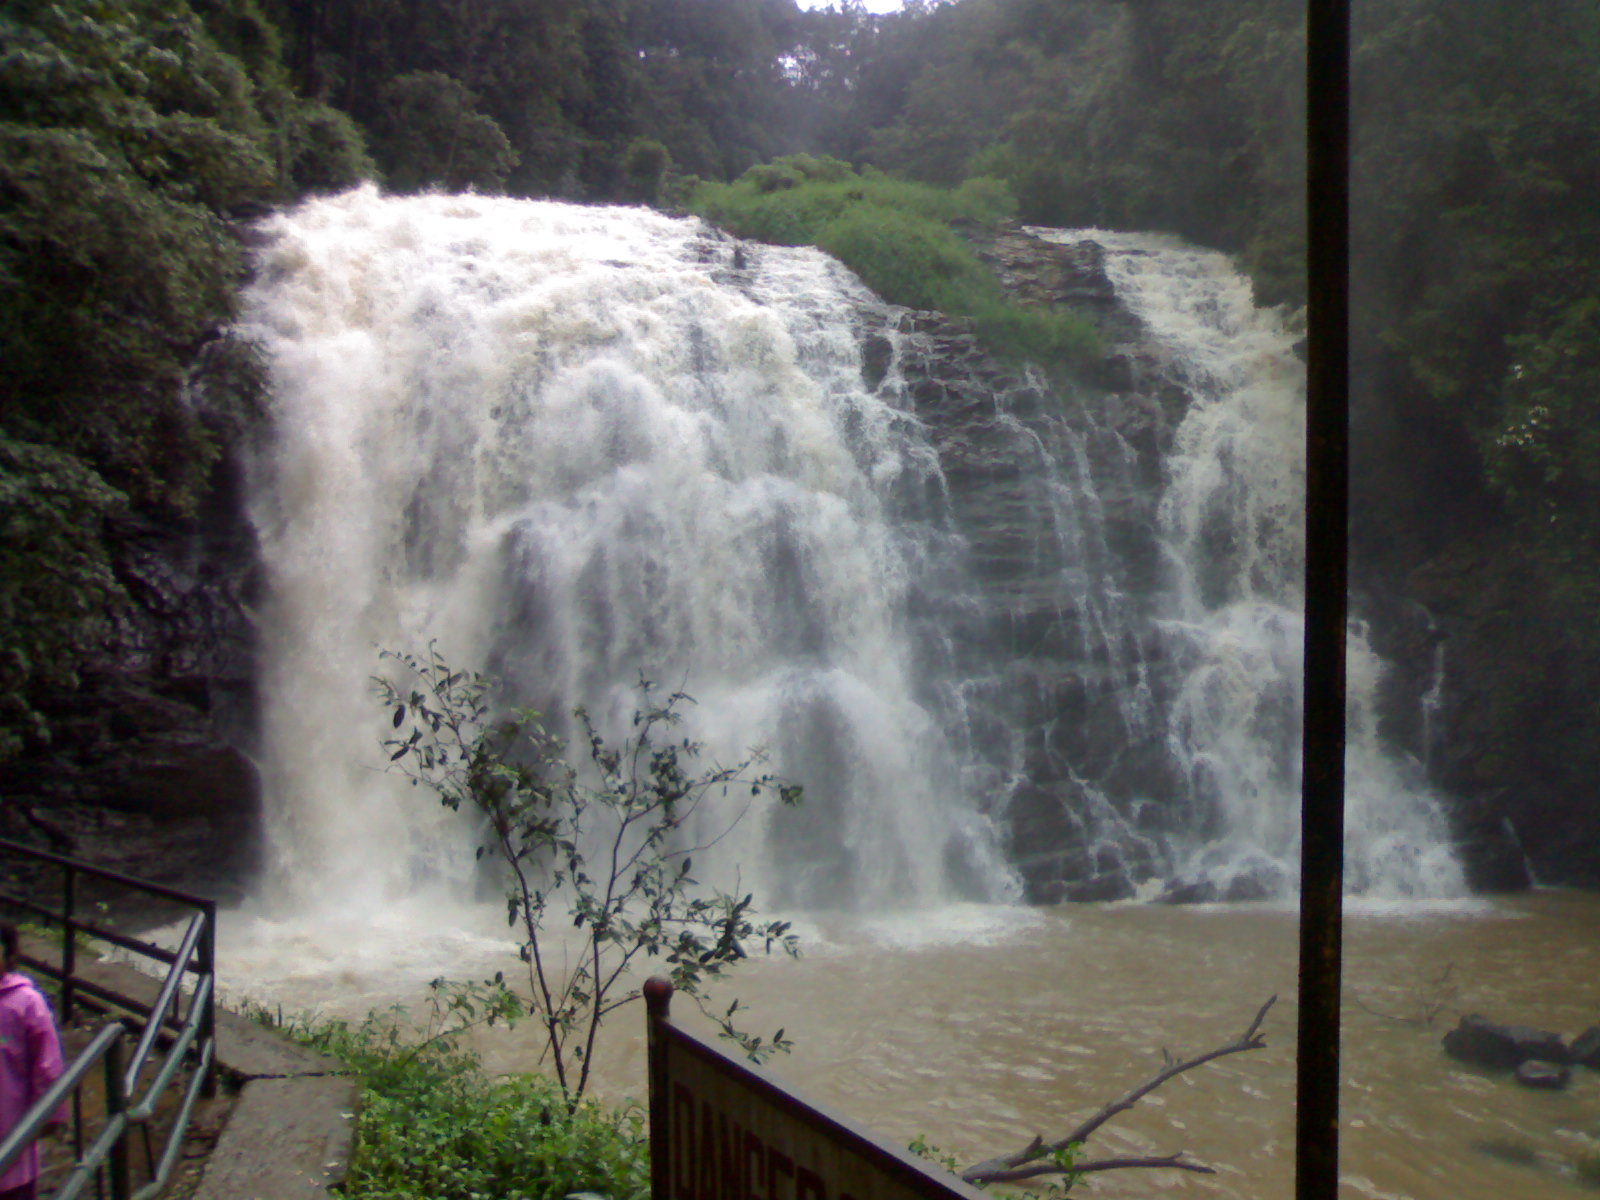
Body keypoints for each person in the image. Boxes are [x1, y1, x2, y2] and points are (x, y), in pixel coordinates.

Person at [0, 921, 66, 1200]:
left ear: (10, 956)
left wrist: (50, 1115)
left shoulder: (26, 1004)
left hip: (13, 1135)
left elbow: (47, 1067)